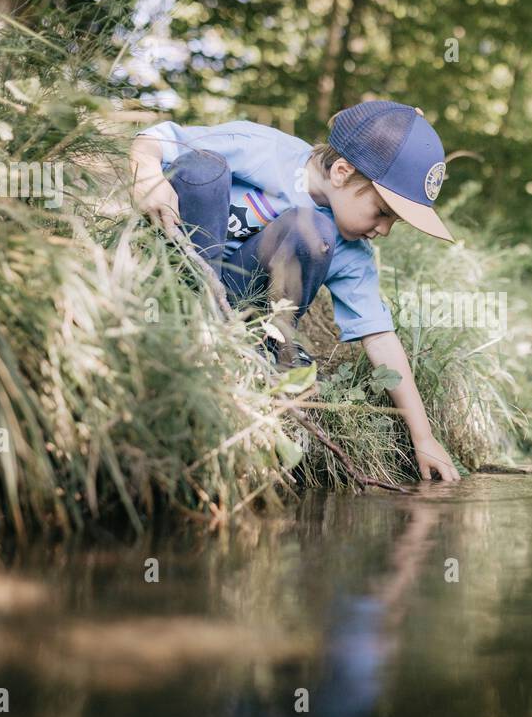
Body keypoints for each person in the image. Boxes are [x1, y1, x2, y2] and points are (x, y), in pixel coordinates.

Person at [128, 99, 461, 482]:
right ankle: (191, 331)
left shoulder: (350, 250)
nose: (383, 229)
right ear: (341, 172)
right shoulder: (264, 150)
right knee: (203, 167)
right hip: (176, 280)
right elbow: (155, 140)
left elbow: (380, 337)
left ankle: (264, 346)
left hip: (240, 312)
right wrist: (147, 176)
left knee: (311, 231)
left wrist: (424, 437)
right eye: (383, 212)